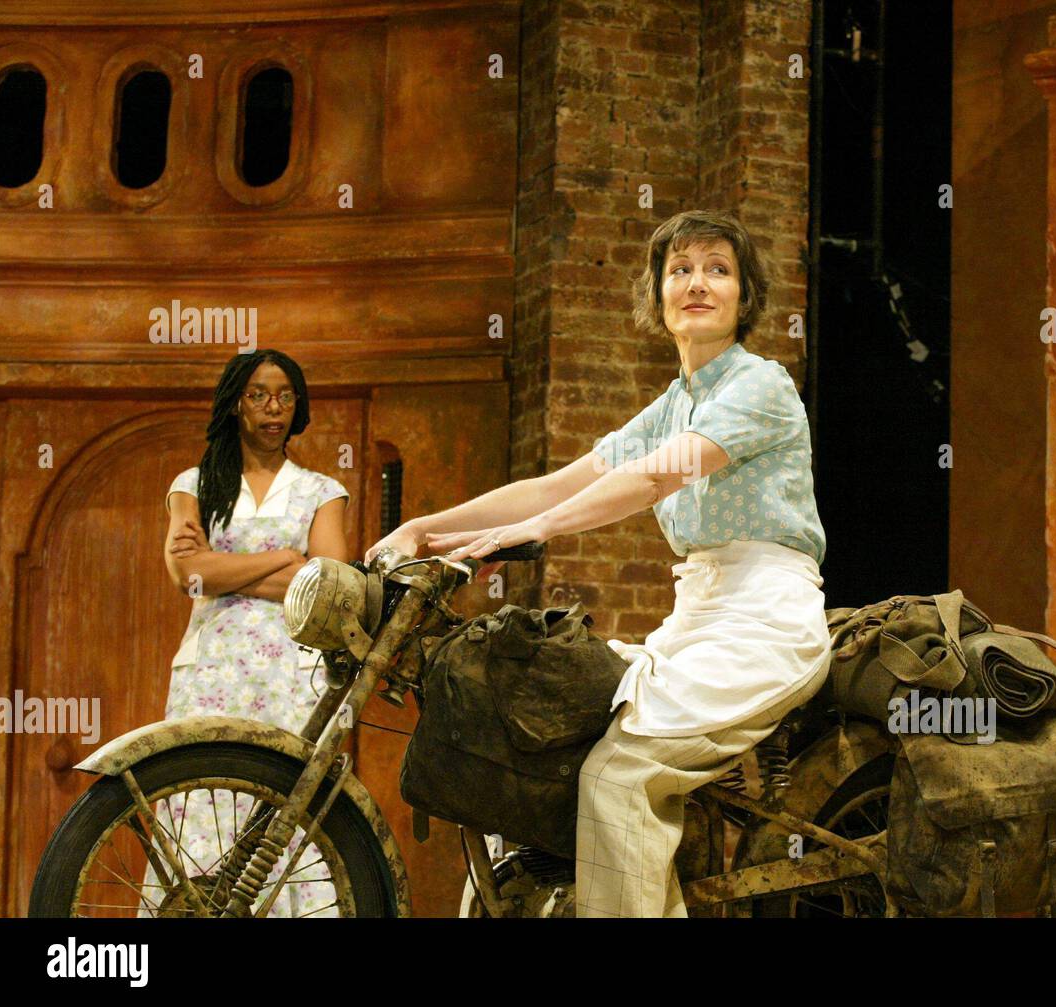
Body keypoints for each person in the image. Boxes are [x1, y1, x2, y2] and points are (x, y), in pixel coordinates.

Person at [367, 209, 830, 918]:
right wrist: (425, 529)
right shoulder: (675, 402)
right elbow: (557, 484)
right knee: (567, 747)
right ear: (658, 293)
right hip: (698, 617)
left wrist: (534, 531)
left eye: (717, 269)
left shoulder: (759, 385)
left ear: (745, 296)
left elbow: (656, 477)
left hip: (763, 621)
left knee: (619, 776)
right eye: (679, 269)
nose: (696, 283)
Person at [142, 349, 351, 918]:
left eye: (285, 395)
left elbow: (331, 587)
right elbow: (188, 575)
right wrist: (286, 558)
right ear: (236, 403)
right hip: (211, 672)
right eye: (259, 394)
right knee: (202, 805)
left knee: (287, 814)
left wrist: (225, 569)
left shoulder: (321, 491)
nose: (273, 407)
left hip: (294, 676)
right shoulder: (194, 484)